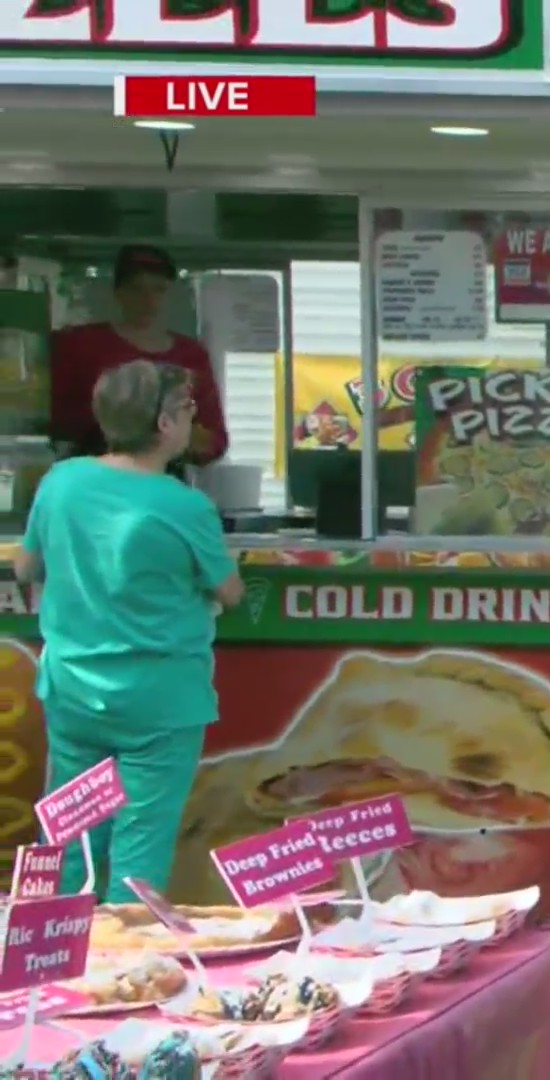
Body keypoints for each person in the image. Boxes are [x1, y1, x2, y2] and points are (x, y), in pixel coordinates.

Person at [14, 361, 242, 899]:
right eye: (188, 408)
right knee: (140, 848)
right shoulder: (185, 506)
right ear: (164, 422)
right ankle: (128, 947)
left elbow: (26, 567)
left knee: (71, 834)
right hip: (161, 699)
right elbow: (230, 592)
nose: (193, 419)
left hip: (74, 688)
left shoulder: (61, 482)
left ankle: (53, 944)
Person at [50, 244, 229, 468]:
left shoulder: (191, 355)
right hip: (93, 469)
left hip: (163, 475)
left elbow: (214, 441)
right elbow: (54, 420)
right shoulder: (80, 344)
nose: (149, 300)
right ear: (118, 293)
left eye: (159, 290)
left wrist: (185, 436)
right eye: (137, 289)